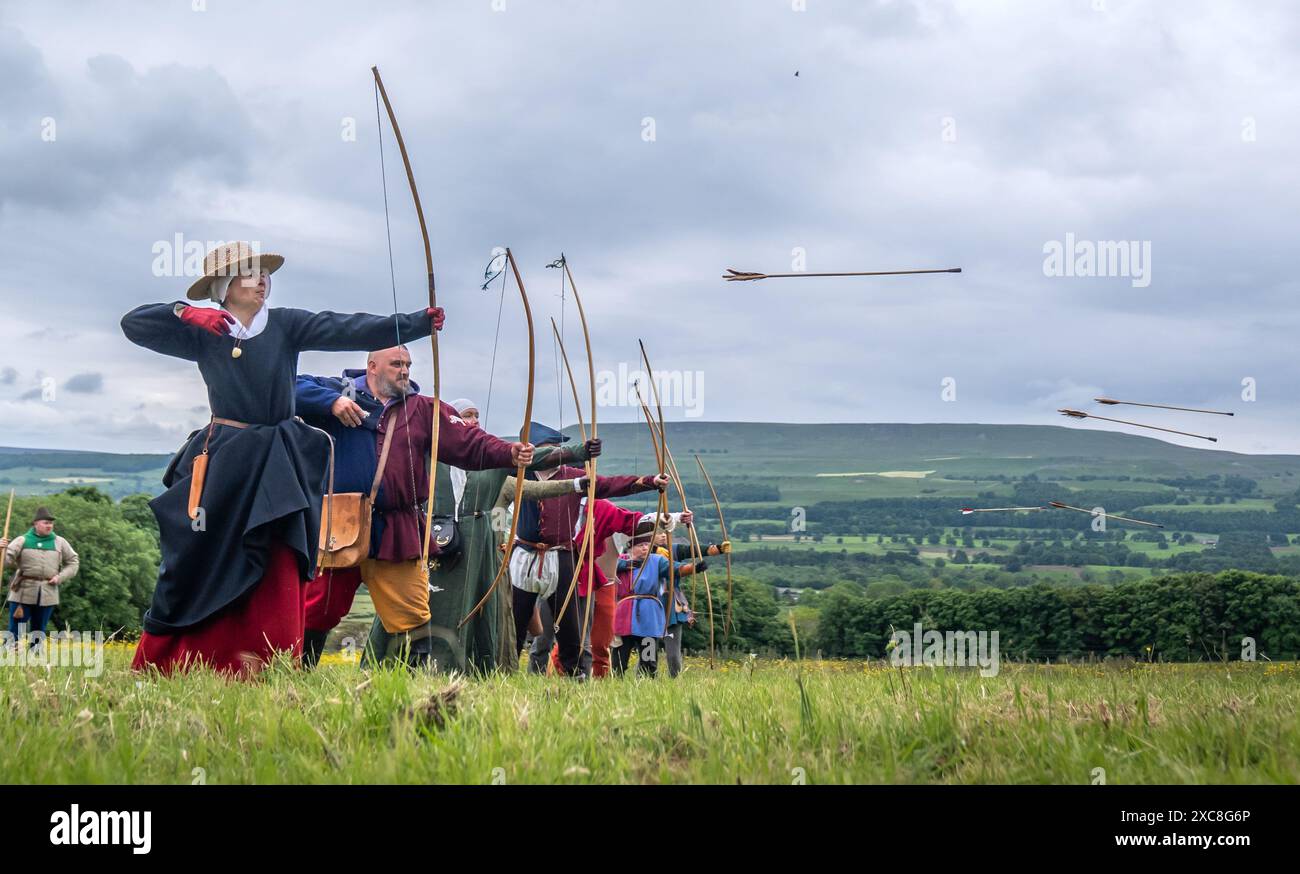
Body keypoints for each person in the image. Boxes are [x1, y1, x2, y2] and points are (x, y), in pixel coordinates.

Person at [120, 241, 442, 677]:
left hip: (275, 461)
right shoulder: (204, 329)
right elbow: (133, 323)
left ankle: (261, 661)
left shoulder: (286, 324)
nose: (262, 280)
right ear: (224, 286)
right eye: (250, 274)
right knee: (202, 555)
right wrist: (185, 311)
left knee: (275, 557)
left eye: (264, 273)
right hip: (225, 459)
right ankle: (183, 659)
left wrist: (415, 324)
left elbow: (347, 327)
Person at [294, 362, 535, 669]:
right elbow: (287, 384)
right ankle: (299, 671)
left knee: (411, 610)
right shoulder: (338, 391)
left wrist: (508, 453)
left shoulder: (422, 409)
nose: (405, 370)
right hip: (343, 521)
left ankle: (412, 684)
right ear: (372, 367)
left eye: (407, 364)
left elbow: (468, 443)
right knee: (320, 606)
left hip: (396, 524)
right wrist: (333, 402)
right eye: (396, 364)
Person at [361, 405, 602, 672]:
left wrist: (578, 452)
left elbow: (533, 460)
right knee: (416, 600)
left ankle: (471, 667)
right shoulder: (425, 453)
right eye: (465, 416)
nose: (473, 421)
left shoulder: (489, 456)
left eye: (476, 416)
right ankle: (407, 663)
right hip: (430, 540)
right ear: (450, 423)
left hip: (477, 547)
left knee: (474, 608)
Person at [509, 425, 665, 678]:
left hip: (561, 556)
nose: (553, 452)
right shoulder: (516, 472)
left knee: (571, 625)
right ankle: (505, 671)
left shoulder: (574, 475)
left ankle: (575, 675)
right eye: (545, 448)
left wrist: (649, 482)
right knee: (514, 619)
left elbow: (609, 485)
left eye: (555, 448)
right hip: (524, 556)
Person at [611, 514, 702, 677]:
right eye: (640, 545)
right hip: (623, 615)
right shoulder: (620, 560)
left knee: (648, 658)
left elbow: (674, 569)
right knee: (619, 658)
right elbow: (605, 566)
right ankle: (615, 681)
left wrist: (693, 568)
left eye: (647, 544)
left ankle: (646, 682)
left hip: (648, 617)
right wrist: (625, 565)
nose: (645, 548)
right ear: (631, 547)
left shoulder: (656, 561)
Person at [2, 506, 79, 646]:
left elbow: (73, 562)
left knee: (39, 631)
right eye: (45, 522)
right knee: (15, 630)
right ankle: (7, 658)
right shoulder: (22, 540)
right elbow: (5, 562)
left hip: (47, 592)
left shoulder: (59, 542)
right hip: (22, 591)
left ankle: (34, 660)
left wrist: (60, 577)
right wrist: (2, 549)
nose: (49, 525)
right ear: (36, 524)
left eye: (51, 523)